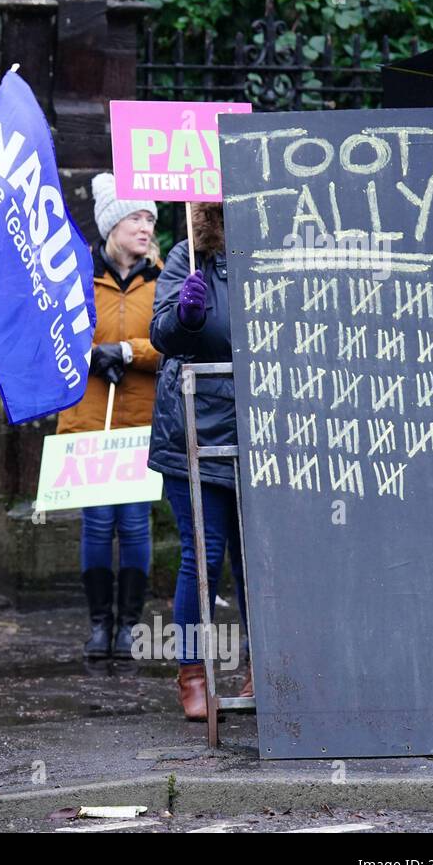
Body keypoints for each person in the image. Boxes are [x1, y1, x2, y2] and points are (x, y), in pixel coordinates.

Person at [148, 202, 251, 720]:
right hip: (194, 429)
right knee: (204, 557)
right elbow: (161, 334)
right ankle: (193, 673)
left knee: (258, 560)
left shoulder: (271, 253)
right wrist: (186, 318)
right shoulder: (188, 255)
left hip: (264, 431)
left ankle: (262, 665)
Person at [57, 173, 161, 660]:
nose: (145, 227)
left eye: (150, 219)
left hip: (141, 421)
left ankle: (128, 628)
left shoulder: (164, 278)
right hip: (89, 418)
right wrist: (92, 354)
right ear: (112, 224)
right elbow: (57, 334)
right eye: (136, 217)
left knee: (136, 525)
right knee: (97, 524)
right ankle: (100, 625)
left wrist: (127, 351)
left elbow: (172, 341)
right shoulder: (76, 274)